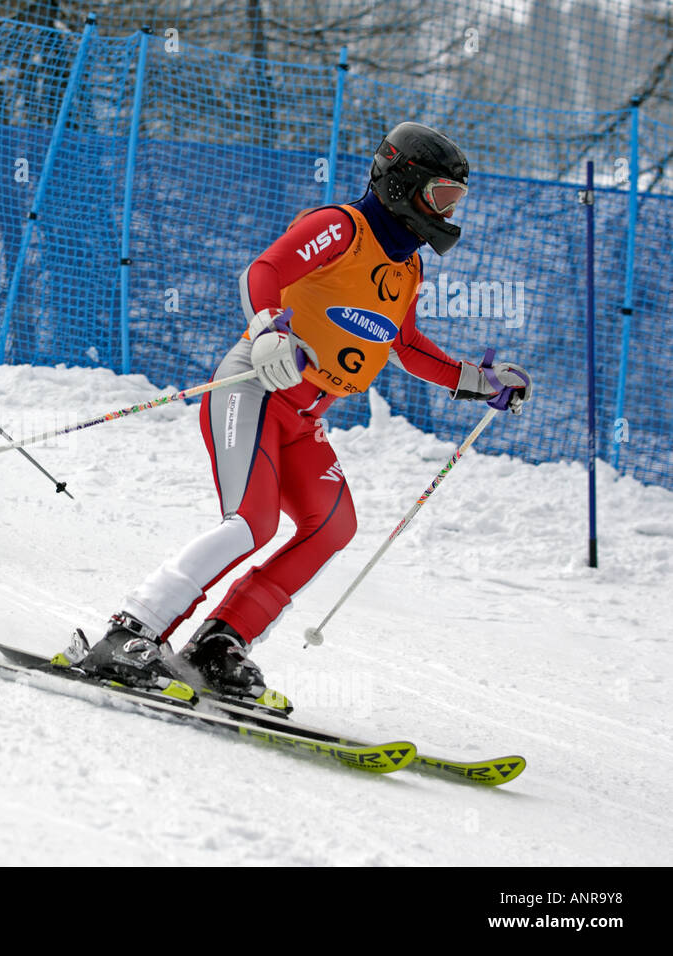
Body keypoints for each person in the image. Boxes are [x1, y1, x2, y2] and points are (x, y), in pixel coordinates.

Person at [78, 122, 532, 698]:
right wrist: (268, 329)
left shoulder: (407, 266)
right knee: (251, 523)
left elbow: (407, 345)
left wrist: (479, 380)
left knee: (333, 524)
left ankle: (220, 641)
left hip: (305, 417)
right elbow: (263, 272)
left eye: (455, 200)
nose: (447, 212)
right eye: (440, 196)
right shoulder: (342, 227)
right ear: (404, 182)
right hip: (255, 389)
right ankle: (131, 631)